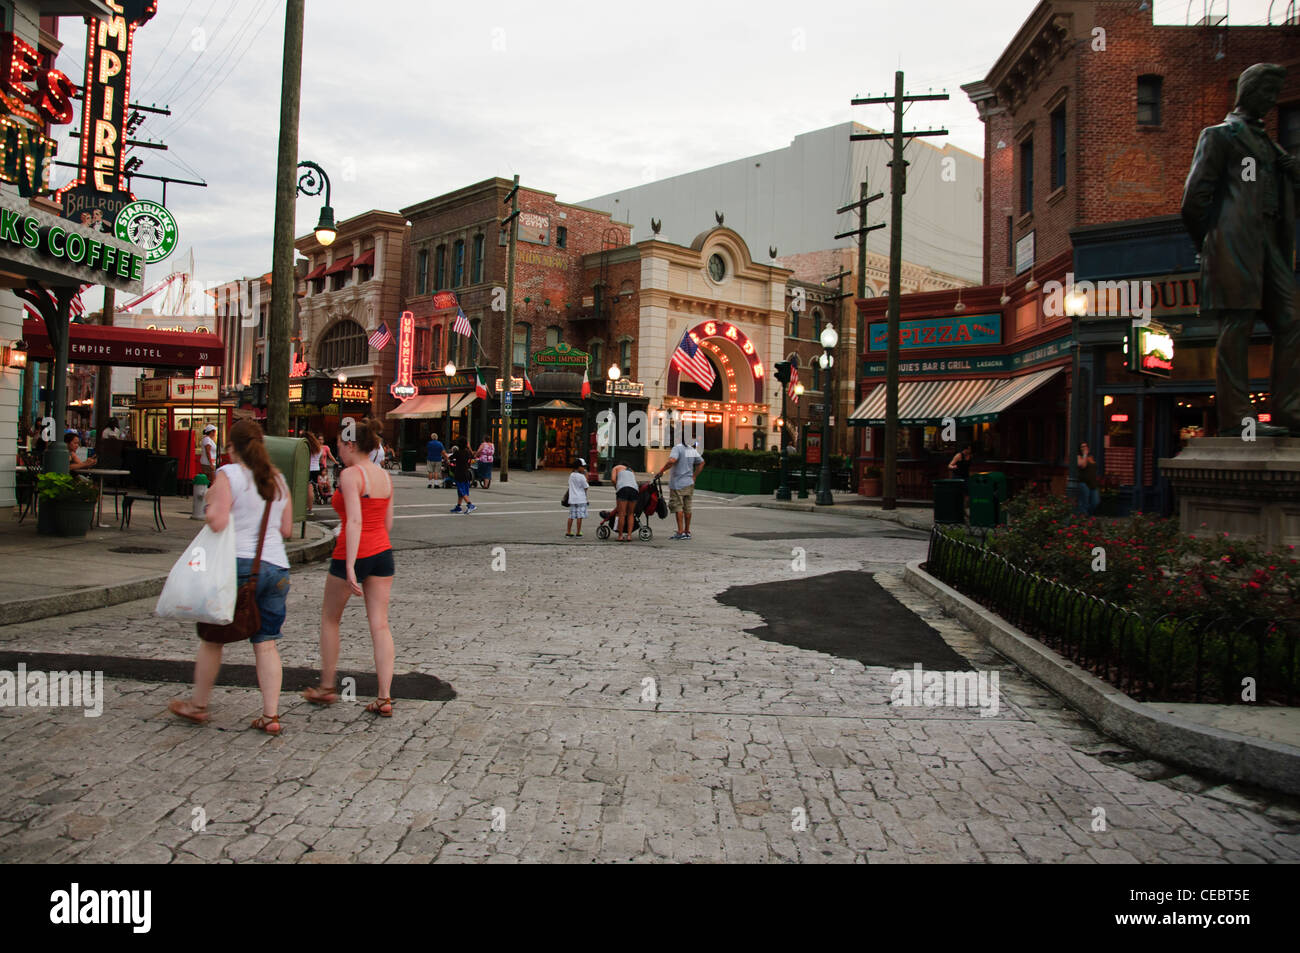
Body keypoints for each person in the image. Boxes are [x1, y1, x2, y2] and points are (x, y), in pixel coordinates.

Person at [1181, 63, 1299, 436]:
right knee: (1238, 324)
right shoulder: (1220, 136)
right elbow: (1193, 201)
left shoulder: (1272, 146)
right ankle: (1239, 421)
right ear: (1247, 91)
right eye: (1266, 92)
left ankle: (1289, 412)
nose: (1271, 101)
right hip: (1232, 242)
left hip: (1271, 241)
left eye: (1275, 94)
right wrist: (1212, 244)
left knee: (1292, 320)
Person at [169, 420, 294, 735]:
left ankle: (198, 704)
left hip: (239, 566)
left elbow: (216, 520)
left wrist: (211, 500)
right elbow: (287, 530)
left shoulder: (229, 475)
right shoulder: (278, 479)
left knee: (213, 638)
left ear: (232, 448)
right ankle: (271, 715)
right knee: (266, 642)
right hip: (277, 568)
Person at [304, 418, 397, 718]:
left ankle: (327, 685)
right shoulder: (384, 476)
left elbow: (354, 521)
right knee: (380, 624)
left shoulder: (351, 475)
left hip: (353, 551)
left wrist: (351, 566)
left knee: (330, 619)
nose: (338, 452)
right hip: (382, 551)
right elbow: (387, 523)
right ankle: (384, 696)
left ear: (351, 445)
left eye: (340, 446)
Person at [656, 440, 704, 540]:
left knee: (678, 507)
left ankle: (680, 531)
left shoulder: (677, 448)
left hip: (678, 483)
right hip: (689, 482)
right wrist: (694, 476)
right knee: (687, 507)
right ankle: (687, 531)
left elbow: (671, 461)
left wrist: (661, 471)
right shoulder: (691, 450)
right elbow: (701, 462)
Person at [610, 462, 639, 541]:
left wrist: (617, 487)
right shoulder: (631, 470)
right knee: (631, 513)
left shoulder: (616, 467)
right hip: (634, 490)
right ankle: (629, 536)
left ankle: (620, 536)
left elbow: (613, 479)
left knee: (622, 513)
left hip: (623, 489)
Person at [448, 439, 477, 513]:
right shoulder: (468, 452)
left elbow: (450, 458)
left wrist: (446, 457)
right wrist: (469, 447)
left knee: (461, 490)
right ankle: (458, 506)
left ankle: (470, 505)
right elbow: (473, 456)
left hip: (459, 473)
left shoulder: (458, 452)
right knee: (461, 491)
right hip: (466, 473)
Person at [566, 457, 589, 537]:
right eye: (583, 466)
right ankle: (578, 532)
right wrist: (586, 476)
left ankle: (568, 531)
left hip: (572, 499)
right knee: (579, 516)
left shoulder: (571, 475)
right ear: (579, 467)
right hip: (581, 499)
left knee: (571, 516)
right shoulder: (582, 477)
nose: (584, 468)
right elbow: (586, 487)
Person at [1076, 442, 1100, 516]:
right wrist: (1085, 455)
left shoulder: (1091, 457)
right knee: (1084, 502)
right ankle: (1083, 517)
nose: (1084, 448)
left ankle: (1087, 515)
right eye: (1082, 446)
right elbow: (1082, 465)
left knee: (1095, 502)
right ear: (1080, 449)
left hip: (1093, 483)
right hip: (1084, 483)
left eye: (1086, 446)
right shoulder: (1079, 457)